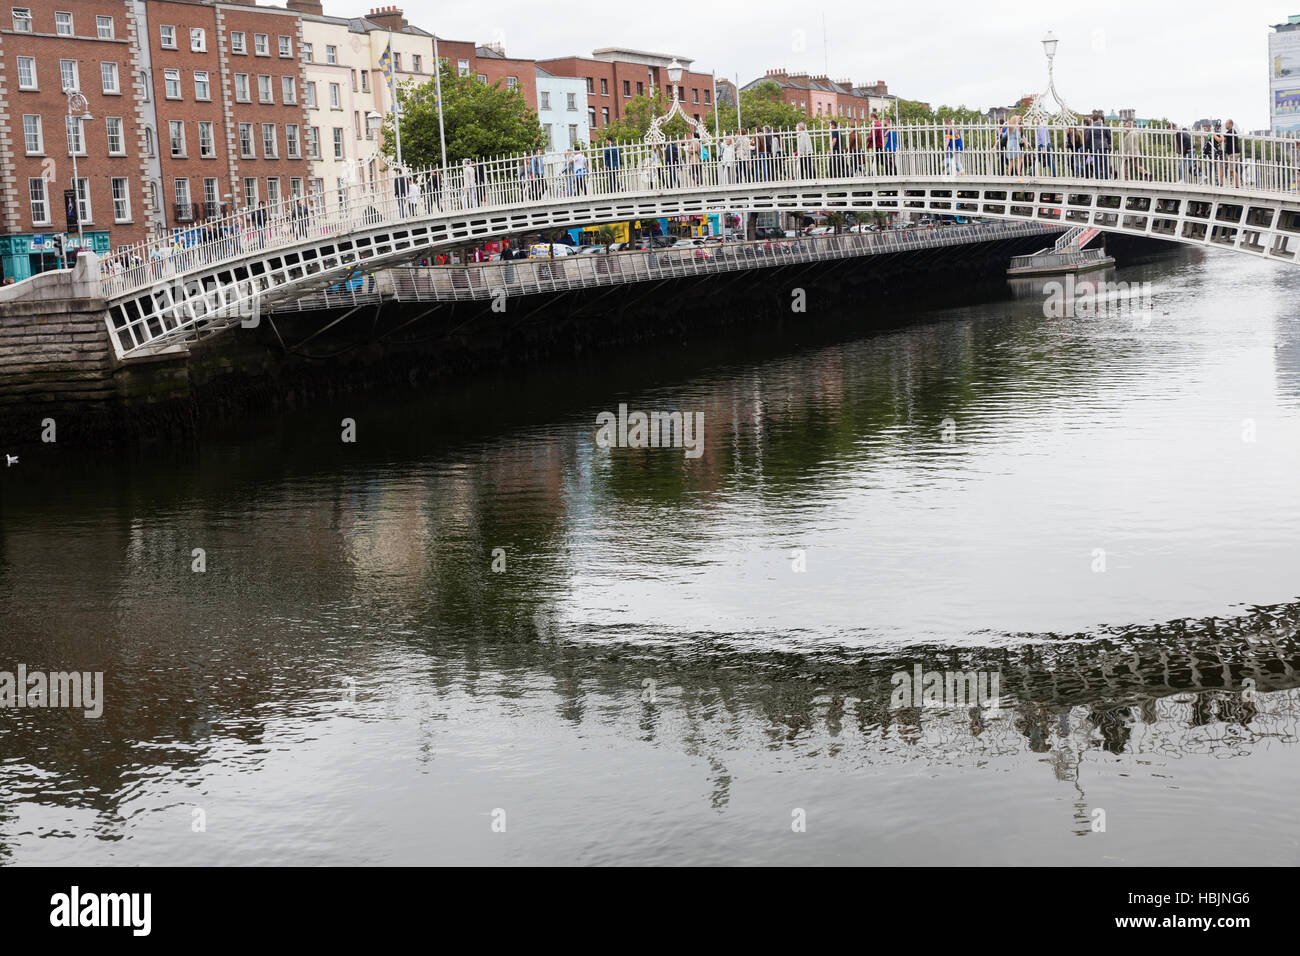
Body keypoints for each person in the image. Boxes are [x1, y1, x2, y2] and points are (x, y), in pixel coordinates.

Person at [1222, 119, 1241, 187]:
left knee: (1232, 170)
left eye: (1226, 124)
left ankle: (1237, 185)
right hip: (1233, 153)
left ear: (1230, 124)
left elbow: (1221, 140)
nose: (1225, 125)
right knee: (1232, 169)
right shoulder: (1232, 132)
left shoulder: (1230, 132)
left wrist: (1213, 134)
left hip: (1233, 154)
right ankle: (1237, 184)